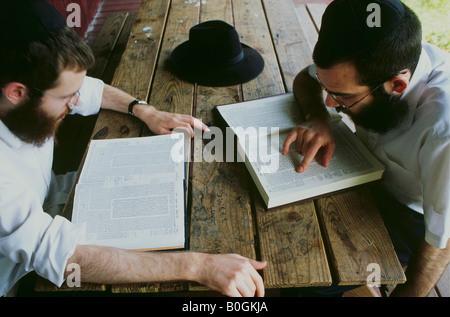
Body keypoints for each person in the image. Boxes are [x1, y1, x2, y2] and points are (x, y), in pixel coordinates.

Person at [0, 0, 266, 297]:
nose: (75, 103)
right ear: (17, 92)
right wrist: (199, 266)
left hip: (58, 203)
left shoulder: (31, 91)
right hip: (20, 278)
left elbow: (89, 89)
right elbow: (66, 258)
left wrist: (144, 110)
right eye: (66, 98)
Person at [282, 0, 449, 296]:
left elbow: (441, 242)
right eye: (329, 90)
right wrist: (318, 117)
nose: (332, 103)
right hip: (357, 167)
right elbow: (306, 80)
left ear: (397, 85)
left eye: (344, 97)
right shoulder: (370, 61)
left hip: (405, 211)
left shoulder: (443, 129)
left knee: (307, 281)